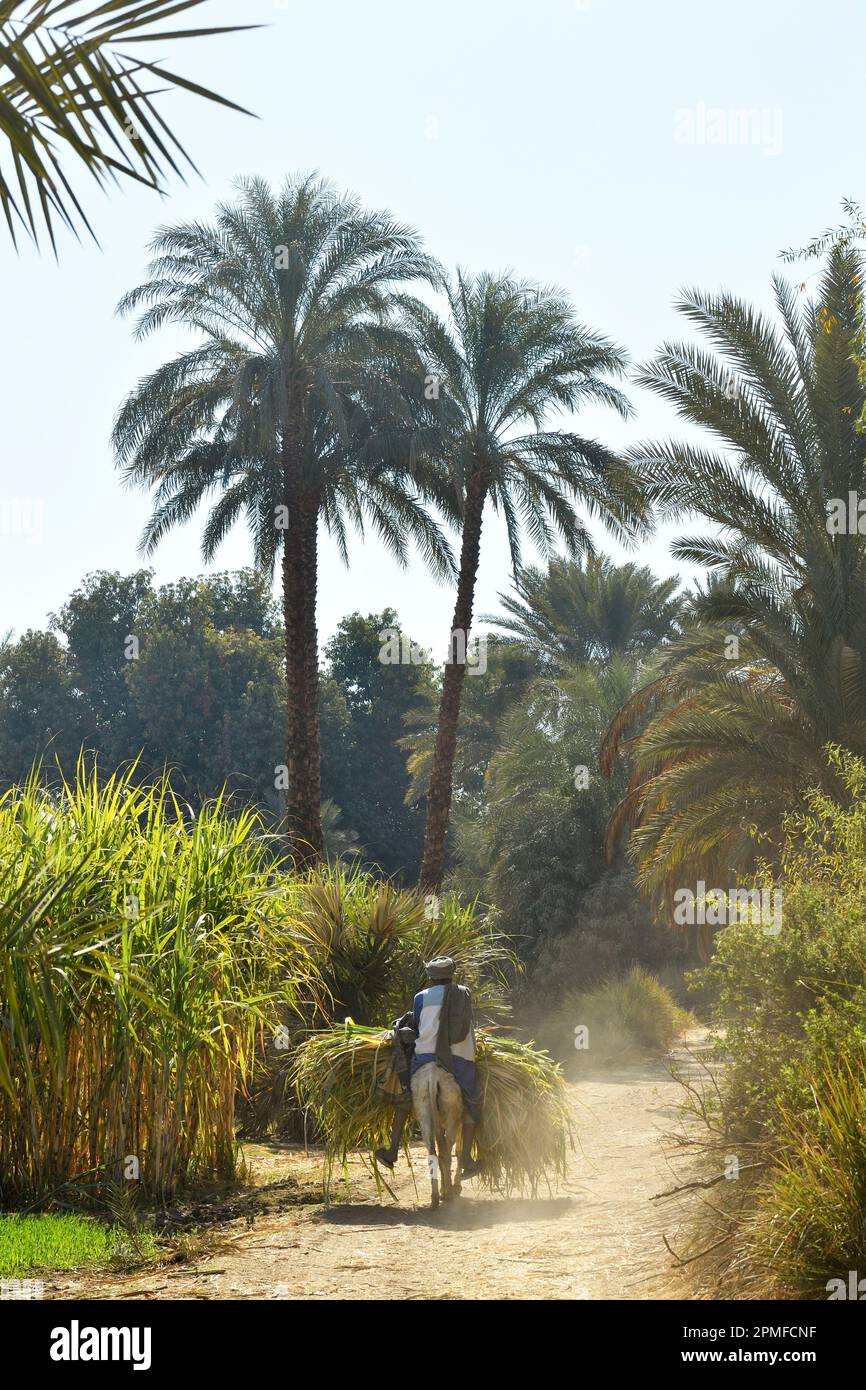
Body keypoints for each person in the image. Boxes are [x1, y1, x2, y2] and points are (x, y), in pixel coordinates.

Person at [374, 956, 483, 1177]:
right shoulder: (464, 993)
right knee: (474, 1099)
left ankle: (392, 1151)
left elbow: (416, 1025)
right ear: (452, 974)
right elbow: (469, 1023)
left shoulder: (420, 997)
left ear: (430, 977)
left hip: (425, 1058)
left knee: (405, 1094)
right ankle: (466, 1159)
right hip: (459, 1059)